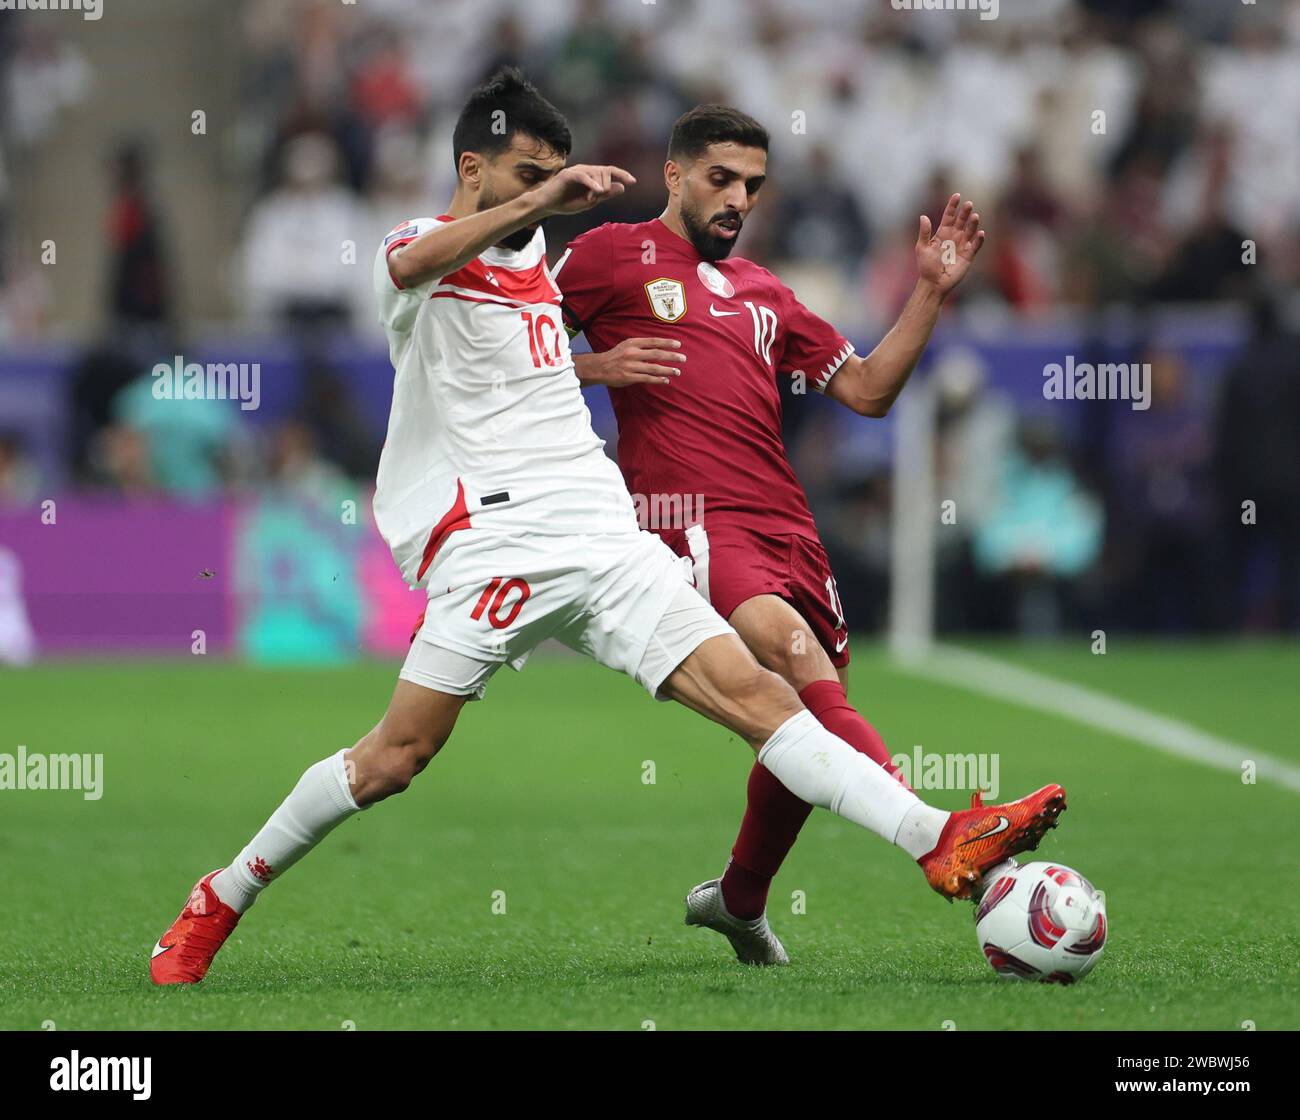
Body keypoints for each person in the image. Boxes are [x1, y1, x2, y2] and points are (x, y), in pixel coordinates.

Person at [150, 71, 1064, 985]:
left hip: (602, 536)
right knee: (394, 758)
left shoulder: (544, 281)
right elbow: (407, 268)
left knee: (766, 699)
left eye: (550, 173)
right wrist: (556, 205)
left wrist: (594, 365)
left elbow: (529, 377)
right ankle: (223, 894)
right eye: (523, 174)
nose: (539, 193)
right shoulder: (424, 254)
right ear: (472, 167)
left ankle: (936, 838)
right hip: (494, 551)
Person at [560, 104, 1018, 964]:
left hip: (787, 529)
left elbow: (872, 390)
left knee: (805, 719)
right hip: (688, 524)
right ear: (674, 173)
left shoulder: (768, 294)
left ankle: (739, 900)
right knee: (792, 658)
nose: (738, 199)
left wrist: (928, 291)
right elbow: (502, 347)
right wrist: (597, 366)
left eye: (753, 186)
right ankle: (940, 836)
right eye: (720, 179)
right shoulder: (608, 255)